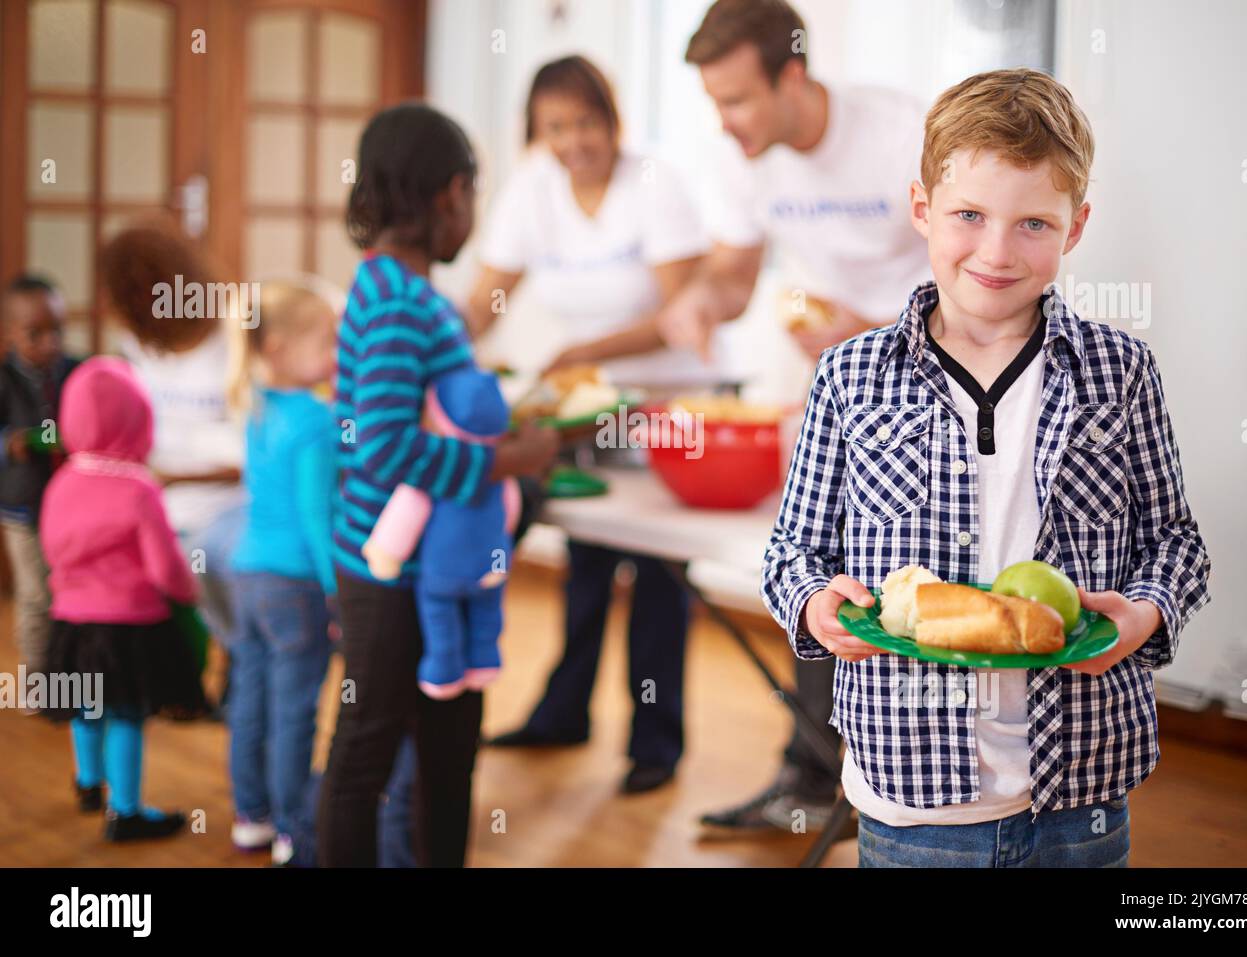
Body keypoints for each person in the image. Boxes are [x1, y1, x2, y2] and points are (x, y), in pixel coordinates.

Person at [764, 68, 1212, 867]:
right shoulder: (848, 376)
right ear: (921, 210)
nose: (997, 252)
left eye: (1033, 223)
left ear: (1075, 227)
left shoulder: (1122, 373)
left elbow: (1176, 543)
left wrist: (1143, 614)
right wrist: (815, 606)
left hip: (1080, 792)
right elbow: (790, 554)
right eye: (969, 215)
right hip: (910, 798)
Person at [660, 0, 932, 830]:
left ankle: (888, 787)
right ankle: (816, 778)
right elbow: (735, 274)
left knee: (901, 591)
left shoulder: (900, 135)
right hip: (834, 387)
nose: (726, 122)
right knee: (812, 572)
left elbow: (975, 273)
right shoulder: (745, 158)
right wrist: (701, 301)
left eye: (738, 100)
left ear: (792, 74)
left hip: (929, 389)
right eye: (714, 102)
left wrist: (875, 330)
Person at [315, 103, 558, 868]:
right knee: (369, 753)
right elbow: (385, 445)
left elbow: (413, 417)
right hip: (396, 577)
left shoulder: (391, 290)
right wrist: (508, 461)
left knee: (448, 753)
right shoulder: (401, 304)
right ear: (450, 195)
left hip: (428, 572)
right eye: (474, 196)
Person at [463, 55, 710, 793]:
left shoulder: (654, 184)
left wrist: (580, 353)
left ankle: (654, 744)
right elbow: (484, 299)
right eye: (555, 127)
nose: (573, 140)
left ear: (612, 120)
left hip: (669, 405)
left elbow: (677, 317)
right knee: (587, 561)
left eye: (585, 123)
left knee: (660, 574)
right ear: (537, 133)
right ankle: (562, 713)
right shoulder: (532, 192)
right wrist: (429, 345)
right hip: (588, 409)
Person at [39, 357, 207, 841]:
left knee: (85, 707)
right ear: (139, 419)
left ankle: (89, 784)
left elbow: (52, 548)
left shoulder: (62, 480)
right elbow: (166, 568)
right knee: (127, 713)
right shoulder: (139, 488)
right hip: (127, 627)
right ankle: (126, 812)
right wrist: (188, 592)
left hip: (71, 622)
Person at [100, 223, 247, 701]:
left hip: (225, 507)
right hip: (154, 501)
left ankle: (231, 663)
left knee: (214, 565)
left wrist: (171, 477)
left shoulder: (234, 332)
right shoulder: (137, 343)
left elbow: (254, 458)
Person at [225, 279, 341, 866]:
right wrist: (338, 594)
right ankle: (296, 829)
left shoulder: (256, 406)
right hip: (297, 585)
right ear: (276, 347)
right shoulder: (318, 424)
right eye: (326, 341)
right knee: (294, 710)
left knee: (250, 699)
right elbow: (319, 521)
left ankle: (253, 817)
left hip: (247, 576)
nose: (337, 353)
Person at [0, 275, 79, 694]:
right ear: (10, 333)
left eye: (58, 332)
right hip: (23, 509)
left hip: (70, 507)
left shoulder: (74, 370)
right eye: (36, 334)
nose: (50, 343)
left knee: (69, 591)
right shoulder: (5, 380)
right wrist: (9, 441)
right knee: (35, 596)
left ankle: (67, 672)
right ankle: (37, 681)